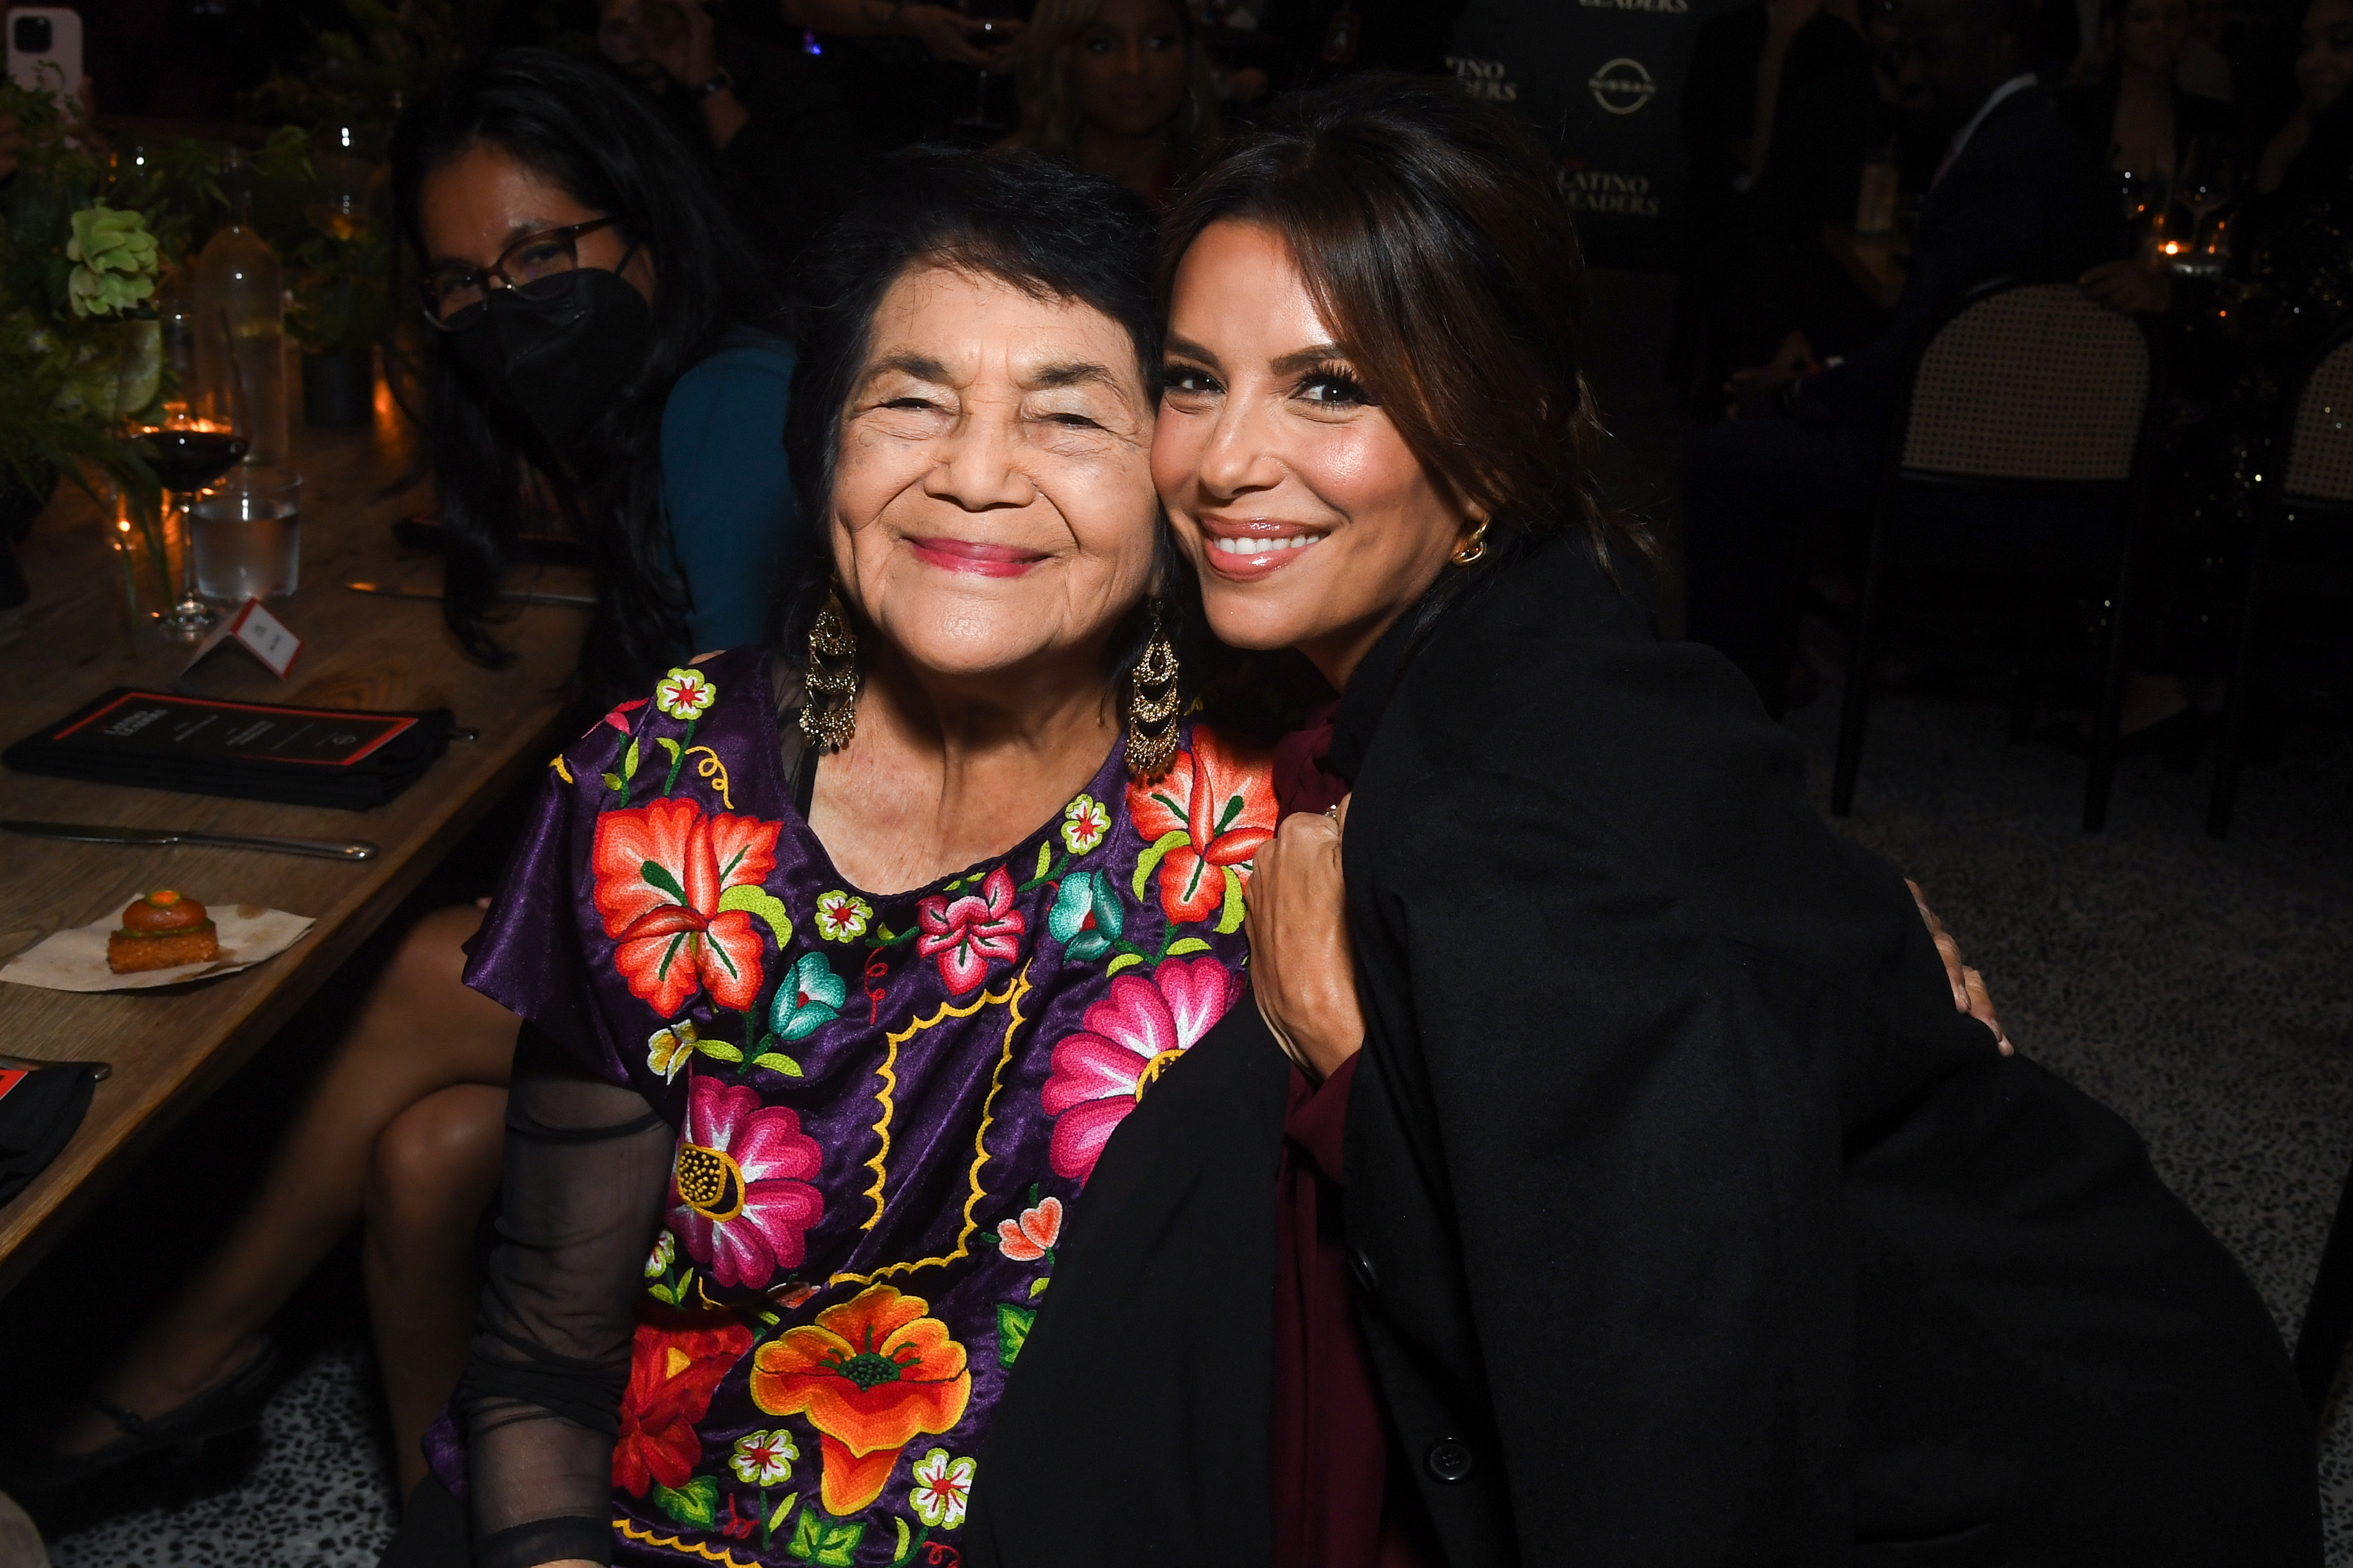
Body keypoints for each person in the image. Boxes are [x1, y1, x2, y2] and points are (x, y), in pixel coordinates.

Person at [970, 74, 2322, 1565]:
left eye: (1329, 386)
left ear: (1492, 426)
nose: (1221, 460)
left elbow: (1659, 1438)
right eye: (1192, 378)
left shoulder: (1499, 829)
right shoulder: (1531, 626)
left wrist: (1348, 1067)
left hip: (2042, 1491)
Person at [373, 147, 1271, 1568]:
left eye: (1068, 416)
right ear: (820, 450)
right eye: (909, 400)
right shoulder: (664, 792)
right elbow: (546, 1351)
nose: (973, 477)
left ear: (1177, 490)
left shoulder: (1263, 831)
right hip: (643, 1522)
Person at [24, 49, 804, 1501]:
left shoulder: (724, 401)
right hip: (726, 942)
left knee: (412, 981)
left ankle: (183, 1356)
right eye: (462, 284)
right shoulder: (644, 410)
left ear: (641, 220)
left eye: (538, 255)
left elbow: (745, 818)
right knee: (428, 1149)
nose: (501, 308)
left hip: (820, 972)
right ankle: (458, 1514)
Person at [1679, 0, 2110, 701]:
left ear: (1998, 41)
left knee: (1724, 456)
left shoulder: (1998, 161)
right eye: (1905, 55)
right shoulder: (2045, 142)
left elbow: (1921, 359)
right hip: (2025, 446)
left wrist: (1794, 392)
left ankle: (1733, 684)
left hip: (1967, 465)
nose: (1911, 73)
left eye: (1931, 53)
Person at [2074, 0, 2353, 744]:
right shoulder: (2298, 132)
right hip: (2295, 385)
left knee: (2181, 424)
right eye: (2307, 45)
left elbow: (2307, 304)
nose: (2316, 61)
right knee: (2164, 397)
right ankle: (2182, 671)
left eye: (2340, 44)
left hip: (2321, 415)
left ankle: (2163, 672)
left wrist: (2183, 295)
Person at [596, 0, 862, 275]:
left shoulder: (780, 79)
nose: (628, 16)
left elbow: (801, 221)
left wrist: (710, 89)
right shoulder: (602, 99)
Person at [1003, 0, 1222, 204]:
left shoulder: (1223, 197)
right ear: (1062, 61)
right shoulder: (1006, 190)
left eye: (1159, 42)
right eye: (1102, 45)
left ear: (1189, 54)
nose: (1134, 68)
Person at [2059, 0, 2237, 185]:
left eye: (2174, 18)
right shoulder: (2076, 114)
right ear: (2114, 29)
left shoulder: (2211, 120)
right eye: (2143, 18)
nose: (2160, 29)